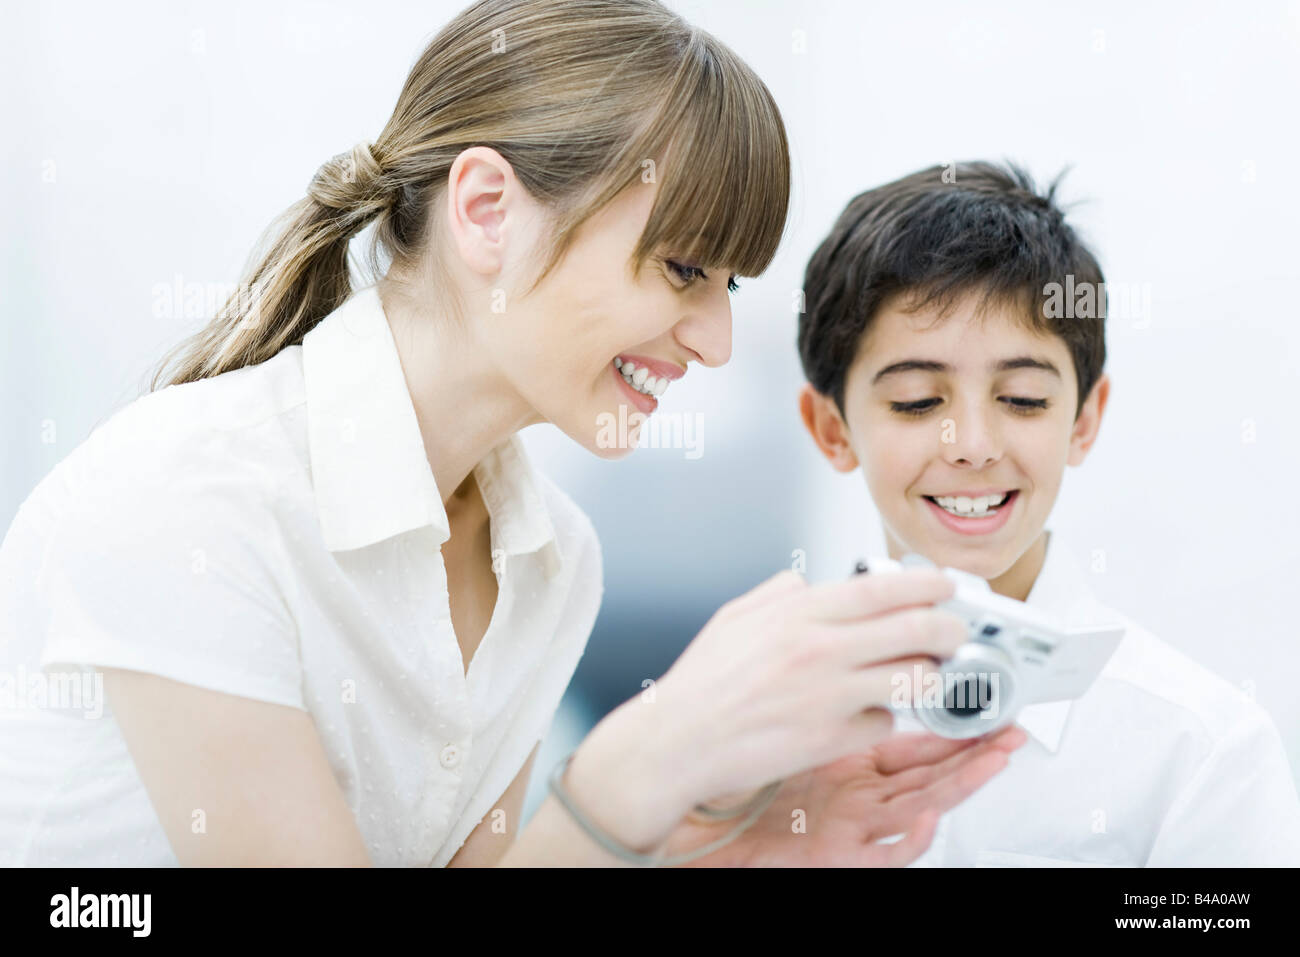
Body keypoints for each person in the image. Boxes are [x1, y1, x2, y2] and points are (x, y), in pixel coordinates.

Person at [0, 0, 1026, 868]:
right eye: (681, 270)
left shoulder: (552, 561)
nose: (714, 340)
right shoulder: (194, 500)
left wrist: (702, 848)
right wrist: (640, 761)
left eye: (730, 285)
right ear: (487, 210)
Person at [795, 160, 1300, 866]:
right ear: (832, 428)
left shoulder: (1201, 750)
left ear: (1084, 420)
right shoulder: (759, 723)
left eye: (1024, 399)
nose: (971, 446)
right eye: (916, 400)